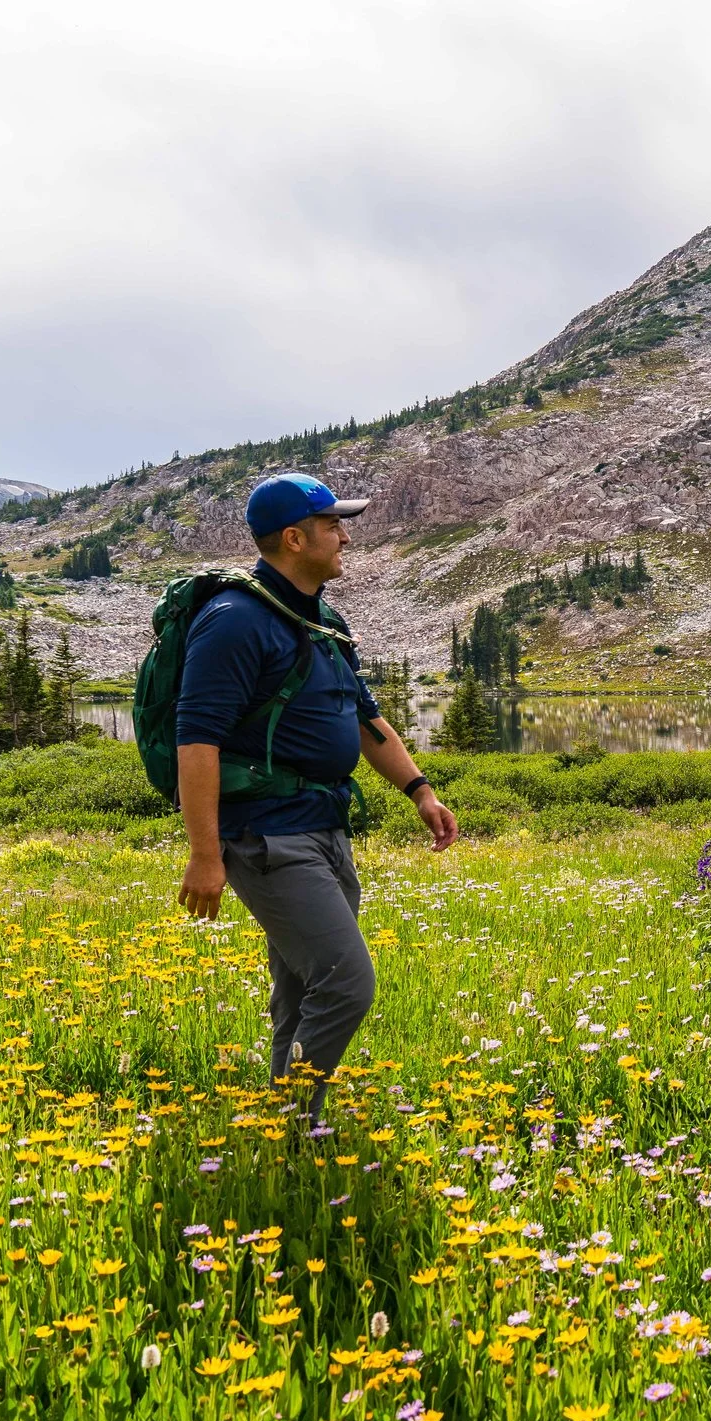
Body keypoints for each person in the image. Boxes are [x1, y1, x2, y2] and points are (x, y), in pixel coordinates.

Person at [174, 472, 458, 1122]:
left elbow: (365, 720)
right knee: (348, 984)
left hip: (325, 830)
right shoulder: (233, 622)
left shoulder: (324, 620)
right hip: (268, 838)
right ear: (295, 539)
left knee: (301, 991)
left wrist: (419, 791)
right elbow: (198, 742)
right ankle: (290, 1115)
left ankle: (295, 1134)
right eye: (333, 526)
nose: (345, 537)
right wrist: (204, 854)